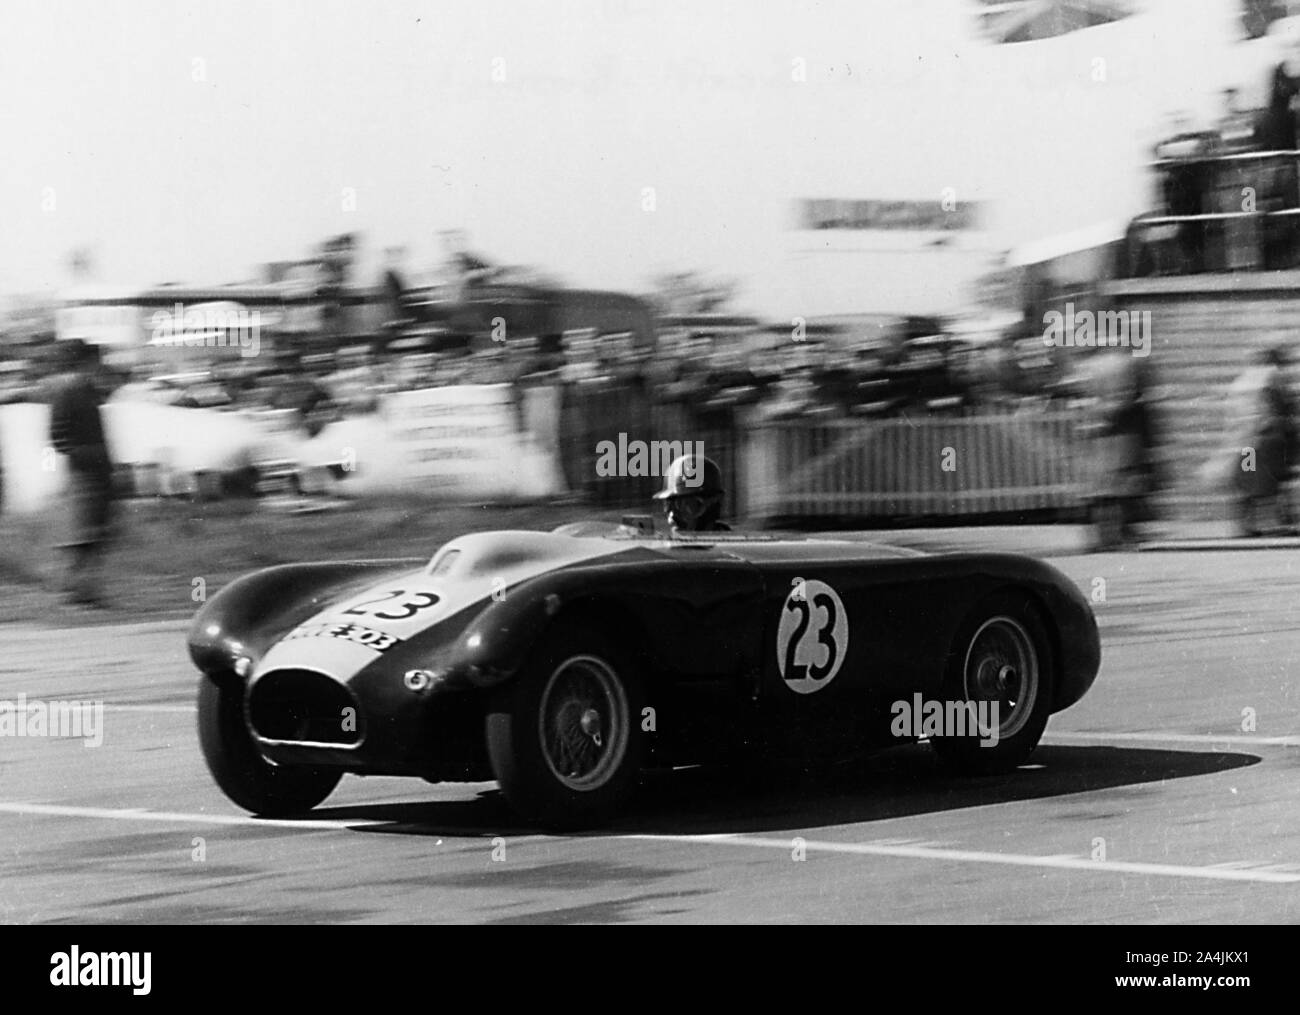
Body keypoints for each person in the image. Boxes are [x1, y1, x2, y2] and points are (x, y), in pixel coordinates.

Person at [48, 340, 116, 606]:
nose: (98, 366)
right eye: (94, 360)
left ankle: (84, 589)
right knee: (83, 533)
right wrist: (86, 455)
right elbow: (56, 437)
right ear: (83, 362)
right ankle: (75, 589)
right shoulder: (67, 392)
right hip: (84, 473)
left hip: (101, 473)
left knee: (97, 533)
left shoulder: (90, 391)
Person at [653, 454, 730, 534]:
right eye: (668, 506)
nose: (672, 519)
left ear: (714, 502)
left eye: (684, 505)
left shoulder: (734, 544)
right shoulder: (657, 543)